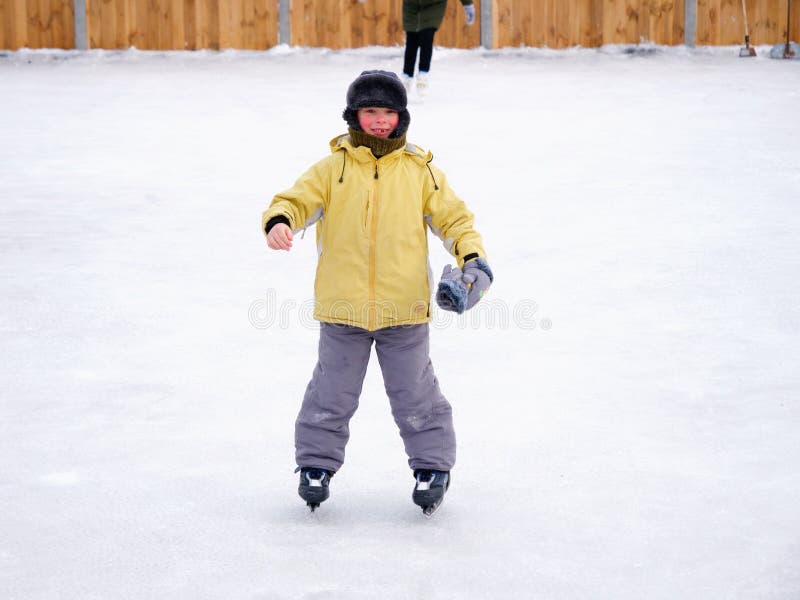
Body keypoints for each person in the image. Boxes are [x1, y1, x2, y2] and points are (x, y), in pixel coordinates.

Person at [261, 70, 493, 514]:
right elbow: (295, 199)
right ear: (354, 116)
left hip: (404, 310)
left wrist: (472, 258)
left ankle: (432, 467)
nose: (380, 121)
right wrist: (280, 221)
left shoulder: (420, 171)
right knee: (331, 392)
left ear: (401, 117)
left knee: (415, 394)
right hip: (343, 309)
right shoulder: (333, 168)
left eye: (388, 112)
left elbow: (455, 220)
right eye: (371, 112)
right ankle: (315, 465)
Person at [402, 0, 476, 94]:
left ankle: (423, 75)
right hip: (411, 7)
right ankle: (407, 77)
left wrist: (467, 5)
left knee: (427, 37)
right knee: (411, 40)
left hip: (433, 6)